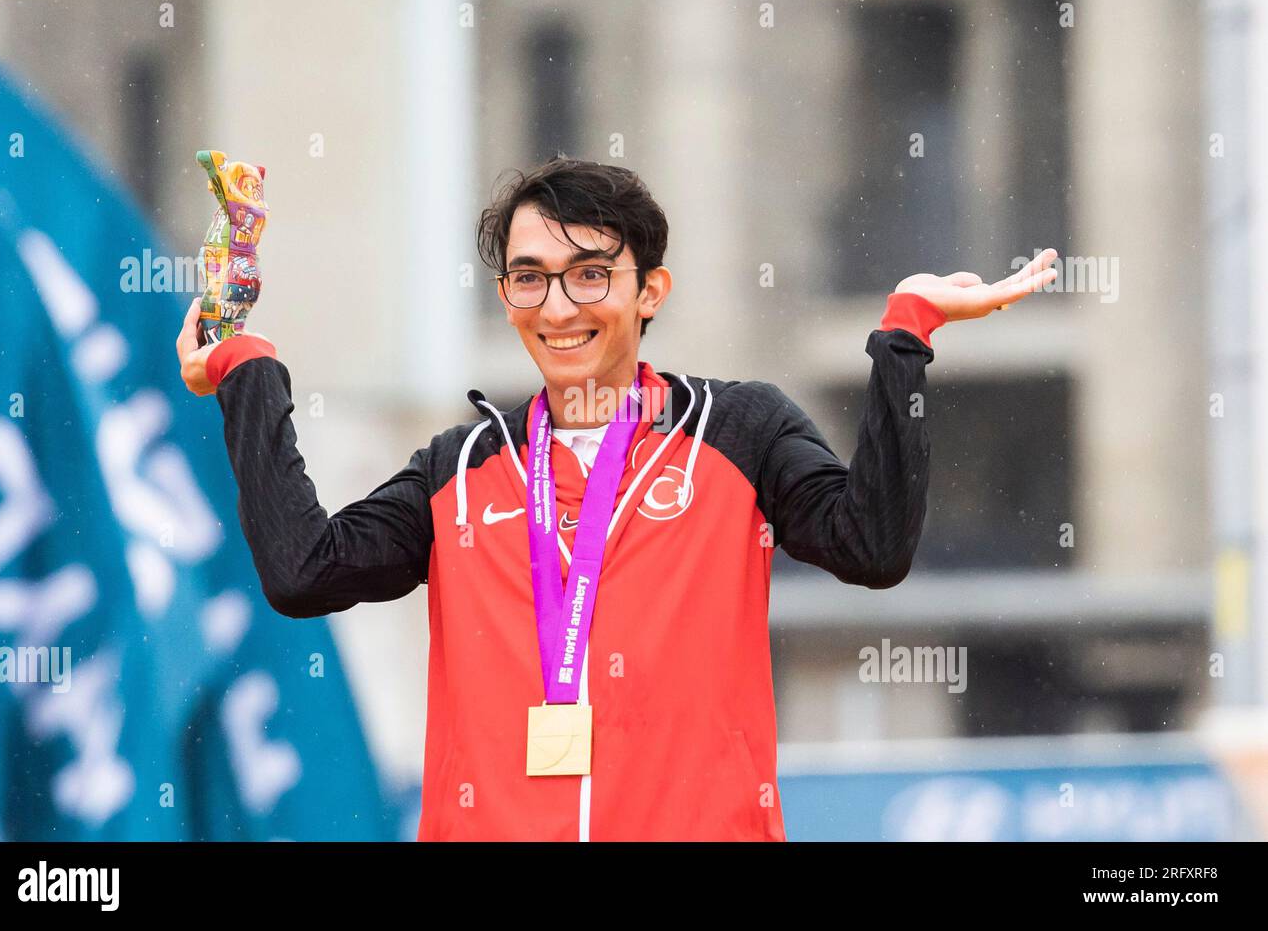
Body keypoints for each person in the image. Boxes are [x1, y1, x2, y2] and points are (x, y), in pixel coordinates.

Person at [176, 156, 1057, 841]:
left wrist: (905, 338)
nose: (558, 305)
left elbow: (873, 547)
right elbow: (303, 572)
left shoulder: (739, 431)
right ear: (507, 299)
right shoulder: (461, 468)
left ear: (649, 292)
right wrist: (249, 373)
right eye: (530, 277)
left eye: (591, 273)